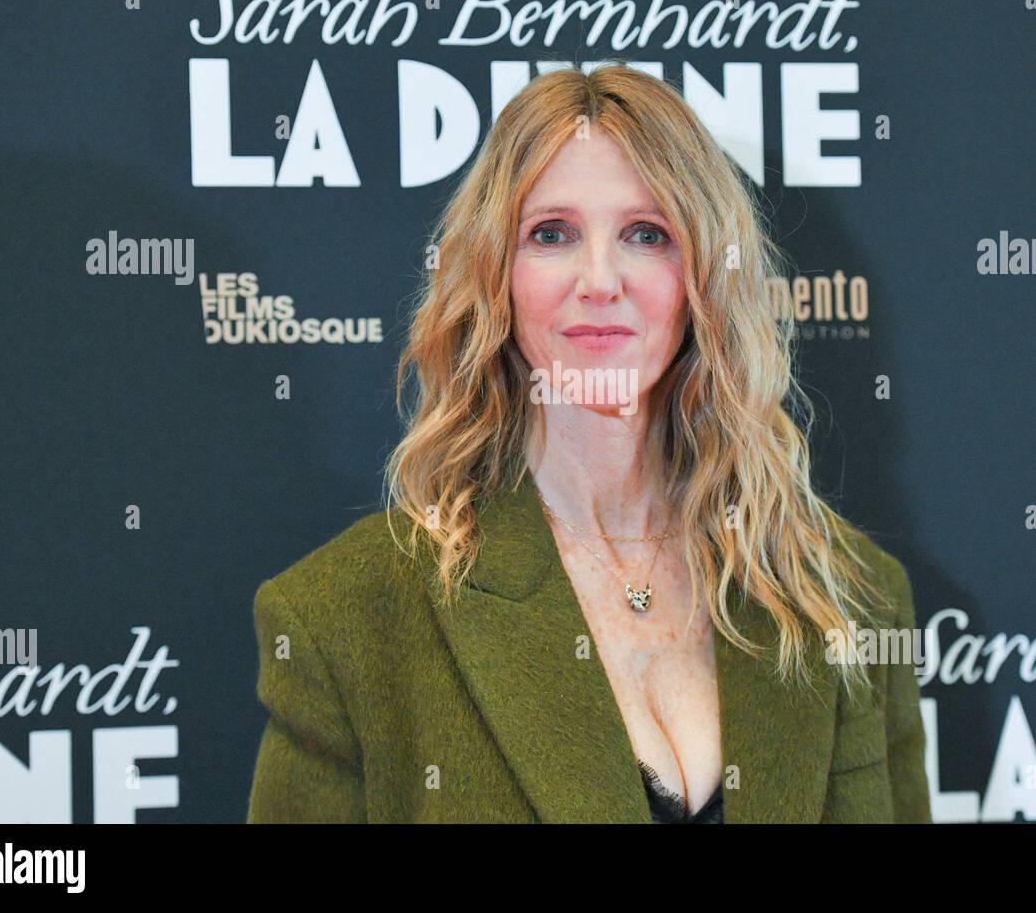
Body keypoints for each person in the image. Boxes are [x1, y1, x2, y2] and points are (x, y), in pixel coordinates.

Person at [246, 63, 932, 823]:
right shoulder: (345, 617)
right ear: (495, 276)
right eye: (552, 234)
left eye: (647, 234)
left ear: (705, 275)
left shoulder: (850, 598)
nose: (600, 280)